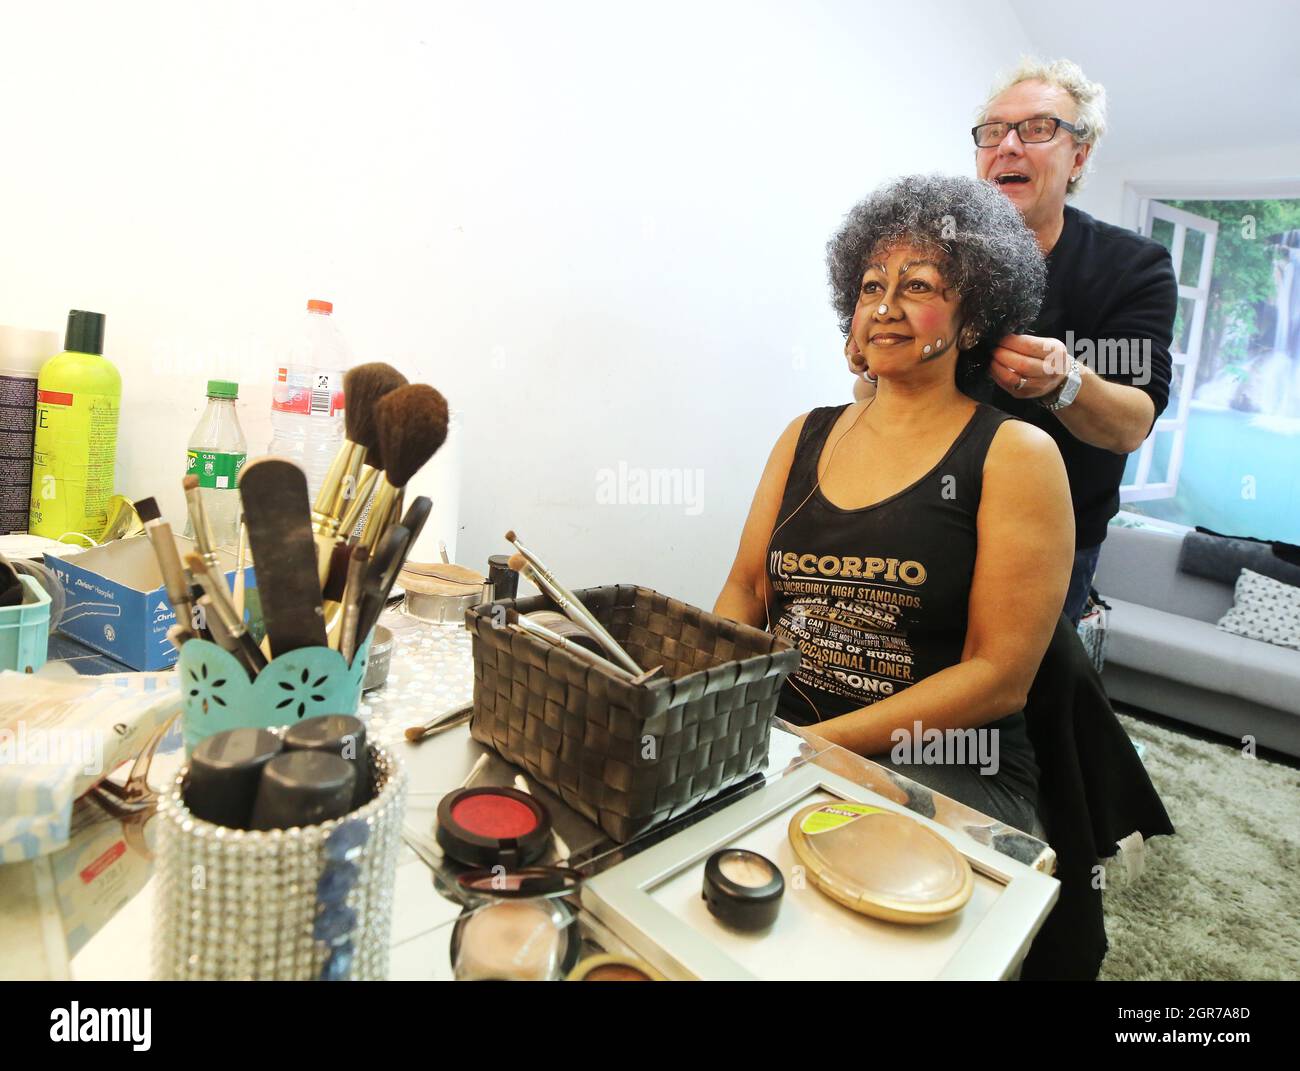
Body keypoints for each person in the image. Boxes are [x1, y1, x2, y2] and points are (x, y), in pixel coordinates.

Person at [717, 175, 1073, 834]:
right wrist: (720, 703)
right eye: (871, 287)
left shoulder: (1014, 454)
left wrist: (816, 745)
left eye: (917, 287)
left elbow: (997, 677)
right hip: (785, 734)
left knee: (826, 854)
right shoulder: (803, 434)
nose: (885, 307)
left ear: (973, 321)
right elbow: (744, 588)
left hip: (940, 764)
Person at [851, 59, 1177, 624]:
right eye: (993, 132)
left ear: (1081, 155)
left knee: (1011, 701)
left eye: (1037, 128)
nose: (1008, 146)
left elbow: (1130, 425)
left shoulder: (1132, 267)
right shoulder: (936, 251)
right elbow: (872, 397)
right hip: (920, 519)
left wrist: (1064, 383)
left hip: (1050, 545)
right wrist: (873, 364)